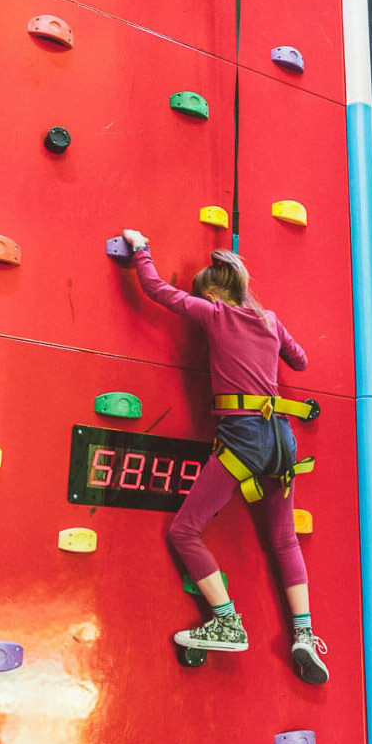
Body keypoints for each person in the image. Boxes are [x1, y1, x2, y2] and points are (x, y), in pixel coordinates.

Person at [119, 229, 329, 683]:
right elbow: (301, 361)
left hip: (245, 439)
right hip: (283, 442)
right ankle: (303, 634)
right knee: (285, 540)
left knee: (184, 531)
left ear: (212, 293)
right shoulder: (271, 321)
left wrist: (141, 247)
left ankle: (227, 621)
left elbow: (157, 291)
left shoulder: (213, 314)